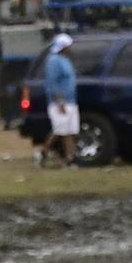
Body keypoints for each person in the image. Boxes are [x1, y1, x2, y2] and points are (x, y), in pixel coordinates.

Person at [39, 33, 77, 167]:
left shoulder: (65, 59)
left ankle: (70, 158)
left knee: (70, 131)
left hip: (71, 100)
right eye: (68, 46)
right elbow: (52, 82)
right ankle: (44, 151)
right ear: (63, 47)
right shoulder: (53, 61)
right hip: (59, 102)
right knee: (60, 130)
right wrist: (59, 101)